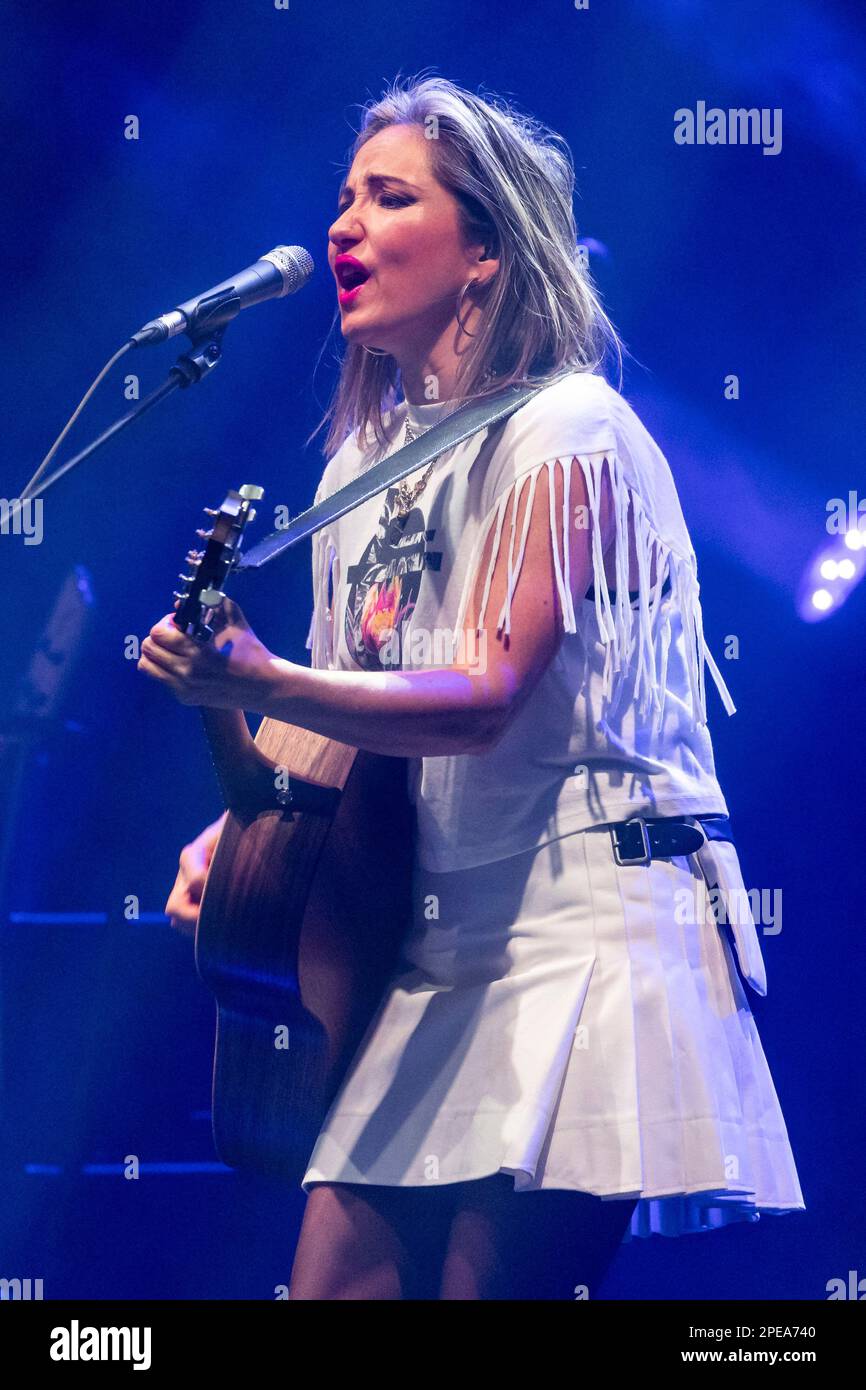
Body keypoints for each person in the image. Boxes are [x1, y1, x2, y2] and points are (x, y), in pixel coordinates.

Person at [142, 74, 805, 1300]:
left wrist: (268, 678)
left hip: (586, 923)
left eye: (386, 198)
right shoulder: (357, 466)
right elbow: (339, 726)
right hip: (438, 941)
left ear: (488, 248)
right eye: (341, 197)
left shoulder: (570, 427)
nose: (340, 225)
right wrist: (227, 788)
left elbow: (486, 692)